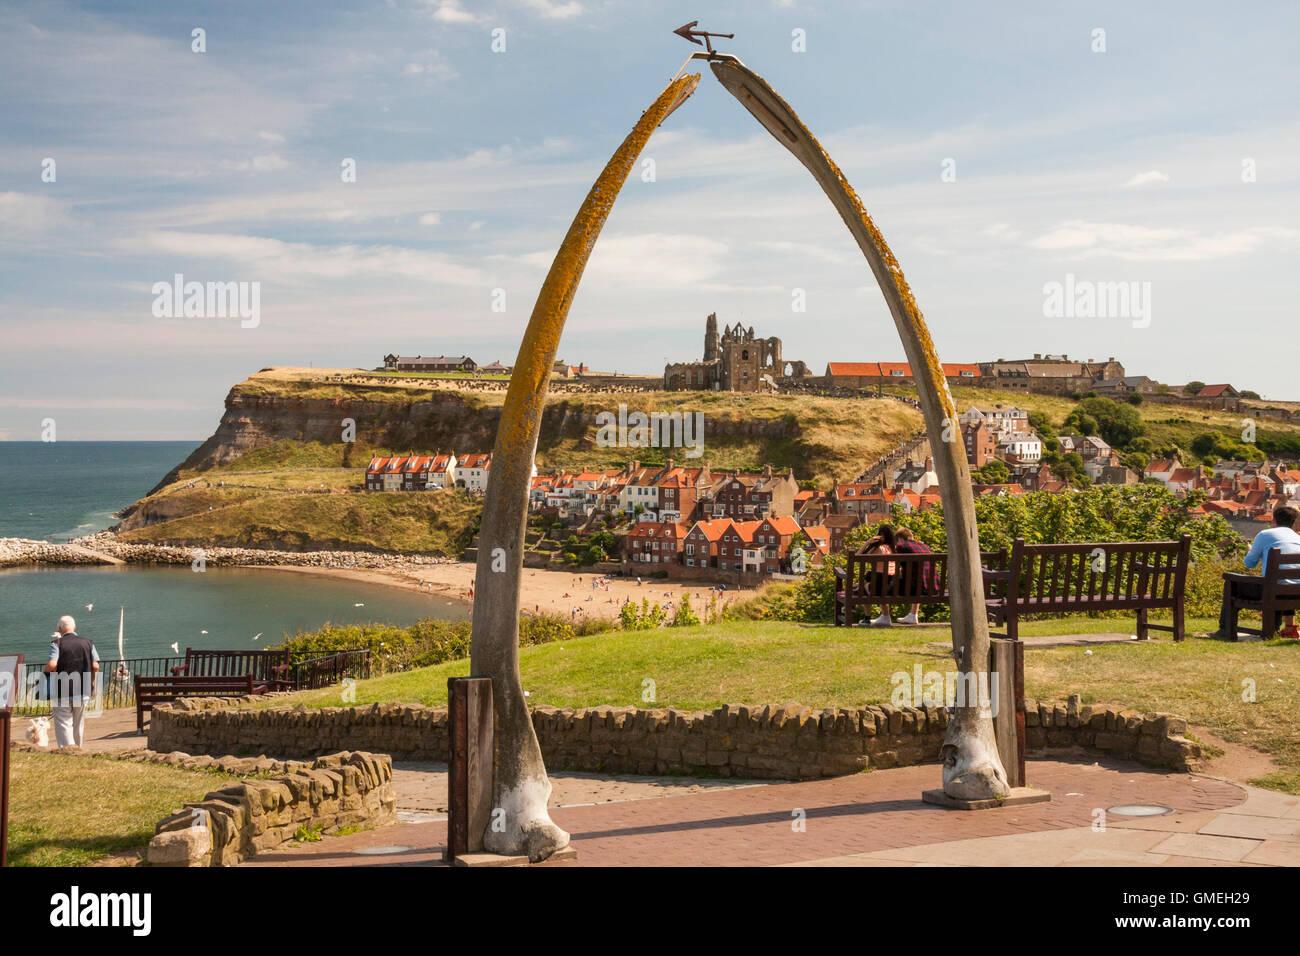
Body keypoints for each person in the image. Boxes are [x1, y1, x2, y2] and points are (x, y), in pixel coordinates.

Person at [1213, 505, 1300, 639]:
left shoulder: (1265, 534)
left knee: (1231, 583)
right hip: (1295, 593)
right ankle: (1274, 628)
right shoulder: (1298, 539)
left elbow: (1249, 563)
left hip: (1271, 591)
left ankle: (1225, 629)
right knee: (1278, 582)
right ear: (1293, 522)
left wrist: (1250, 550)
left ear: (1274, 520)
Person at [45, 615, 99, 748]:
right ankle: (78, 749)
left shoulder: (56, 644)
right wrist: (92, 682)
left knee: (64, 722)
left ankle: (67, 750)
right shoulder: (88, 643)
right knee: (78, 723)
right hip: (82, 689)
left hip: (61, 690)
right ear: (74, 627)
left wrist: (45, 673)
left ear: (59, 629)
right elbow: (95, 666)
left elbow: (52, 665)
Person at [857, 524, 897, 627]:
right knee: (870, 575)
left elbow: (858, 556)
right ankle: (886, 617)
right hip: (893, 585)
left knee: (863, 587)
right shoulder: (894, 548)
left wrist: (868, 542)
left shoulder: (878, 548)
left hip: (879, 587)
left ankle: (867, 618)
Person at [892, 527, 934, 626]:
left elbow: (896, 569)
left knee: (883, 585)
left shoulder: (902, 547)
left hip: (914, 589)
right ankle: (913, 615)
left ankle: (884, 616)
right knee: (918, 580)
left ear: (900, 539)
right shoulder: (924, 546)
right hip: (931, 588)